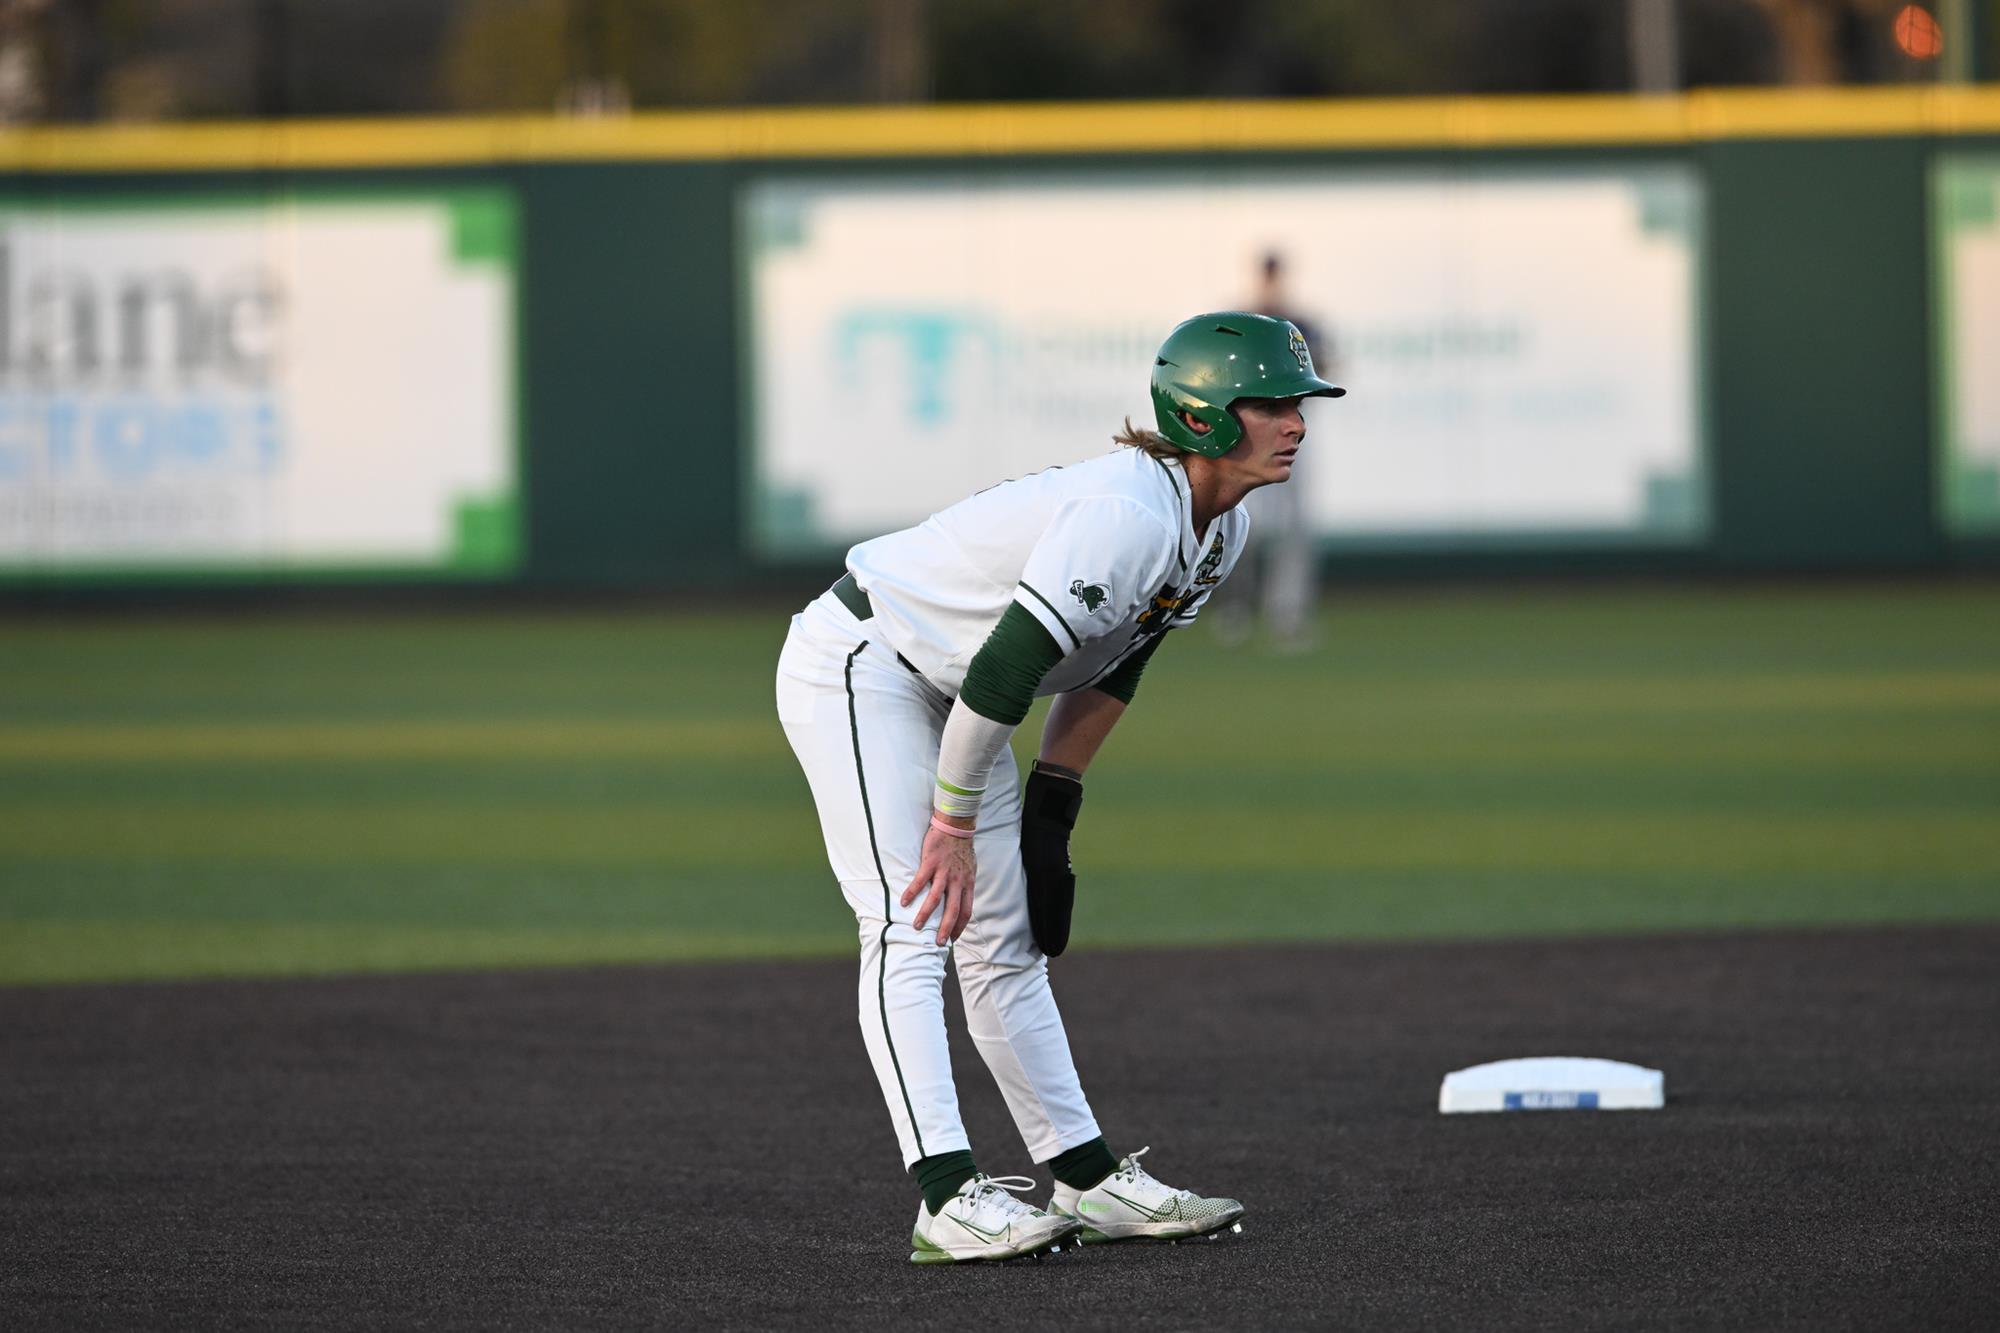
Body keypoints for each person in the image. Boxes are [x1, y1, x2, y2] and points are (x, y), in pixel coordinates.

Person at [774, 312, 1344, 1264]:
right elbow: (1007, 670)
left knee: (1005, 938)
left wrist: (1053, 804)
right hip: (866, 661)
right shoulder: (1128, 513)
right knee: (911, 917)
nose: (1295, 421)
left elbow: (1115, 667)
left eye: (1299, 403)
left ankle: (1083, 1176)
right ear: (1204, 415)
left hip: (958, 692)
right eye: (1272, 403)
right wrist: (953, 826)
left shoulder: (1221, 528)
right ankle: (946, 1197)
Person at [1211, 252, 1335, 650]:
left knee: (1295, 529)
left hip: (1293, 431)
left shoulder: (1300, 325)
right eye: (1267, 275)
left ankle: (1288, 615)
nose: (1272, 282)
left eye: (1276, 275)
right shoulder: (1240, 323)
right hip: (1247, 435)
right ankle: (1236, 609)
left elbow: (1329, 368)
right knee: (1244, 524)